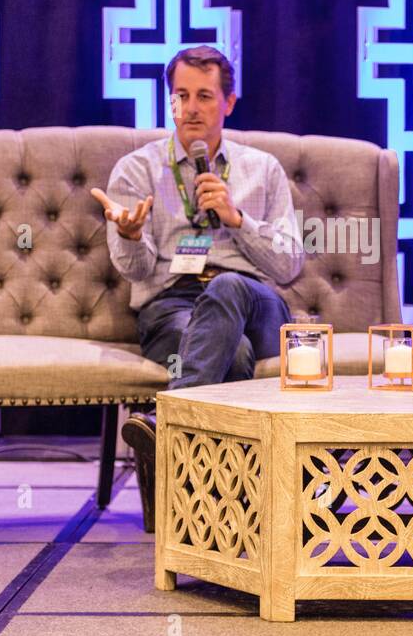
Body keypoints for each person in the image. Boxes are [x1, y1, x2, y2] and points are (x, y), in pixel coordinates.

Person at [91, 46, 304, 458]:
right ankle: (224, 495)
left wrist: (236, 218)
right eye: (180, 95)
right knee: (234, 353)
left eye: (204, 96)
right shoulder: (137, 169)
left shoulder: (262, 169)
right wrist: (132, 236)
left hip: (255, 303)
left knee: (228, 285)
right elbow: (135, 272)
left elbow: (290, 263)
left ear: (229, 102)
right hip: (171, 306)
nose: (190, 108)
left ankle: (168, 431)